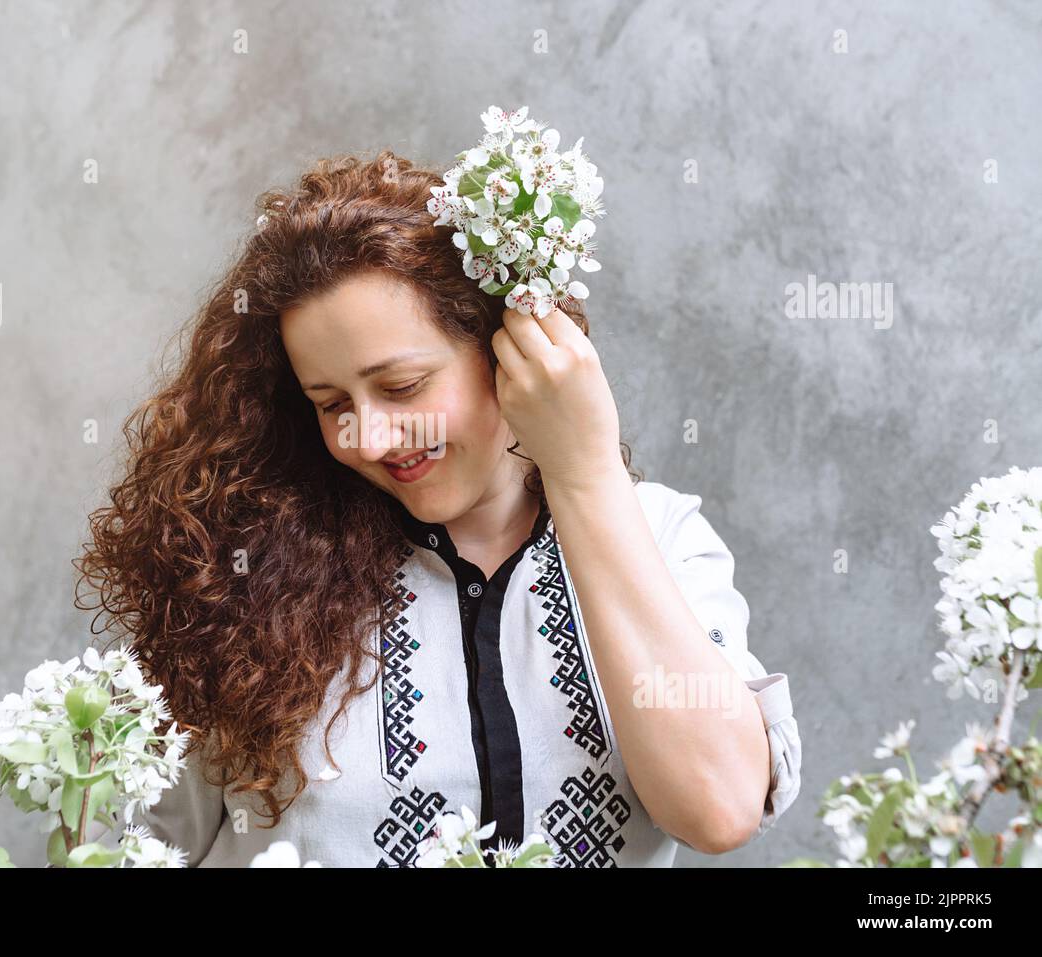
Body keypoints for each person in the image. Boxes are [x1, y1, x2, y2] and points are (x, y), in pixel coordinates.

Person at [73, 149, 802, 867]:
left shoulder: (664, 536)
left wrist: (583, 472)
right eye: (331, 404)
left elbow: (720, 805)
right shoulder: (243, 580)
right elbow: (124, 852)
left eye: (401, 386)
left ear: (509, 350)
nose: (369, 435)